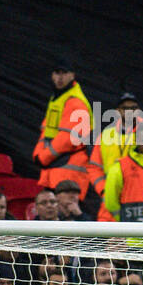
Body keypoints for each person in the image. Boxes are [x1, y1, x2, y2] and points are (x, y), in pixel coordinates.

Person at [32, 59, 93, 198]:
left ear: (72, 75)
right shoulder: (58, 99)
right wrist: (38, 154)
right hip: (56, 169)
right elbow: (46, 131)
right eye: (57, 73)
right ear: (52, 76)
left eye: (64, 73)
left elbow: (69, 138)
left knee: (69, 213)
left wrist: (43, 156)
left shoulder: (76, 102)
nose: (60, 77)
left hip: (69, 173)